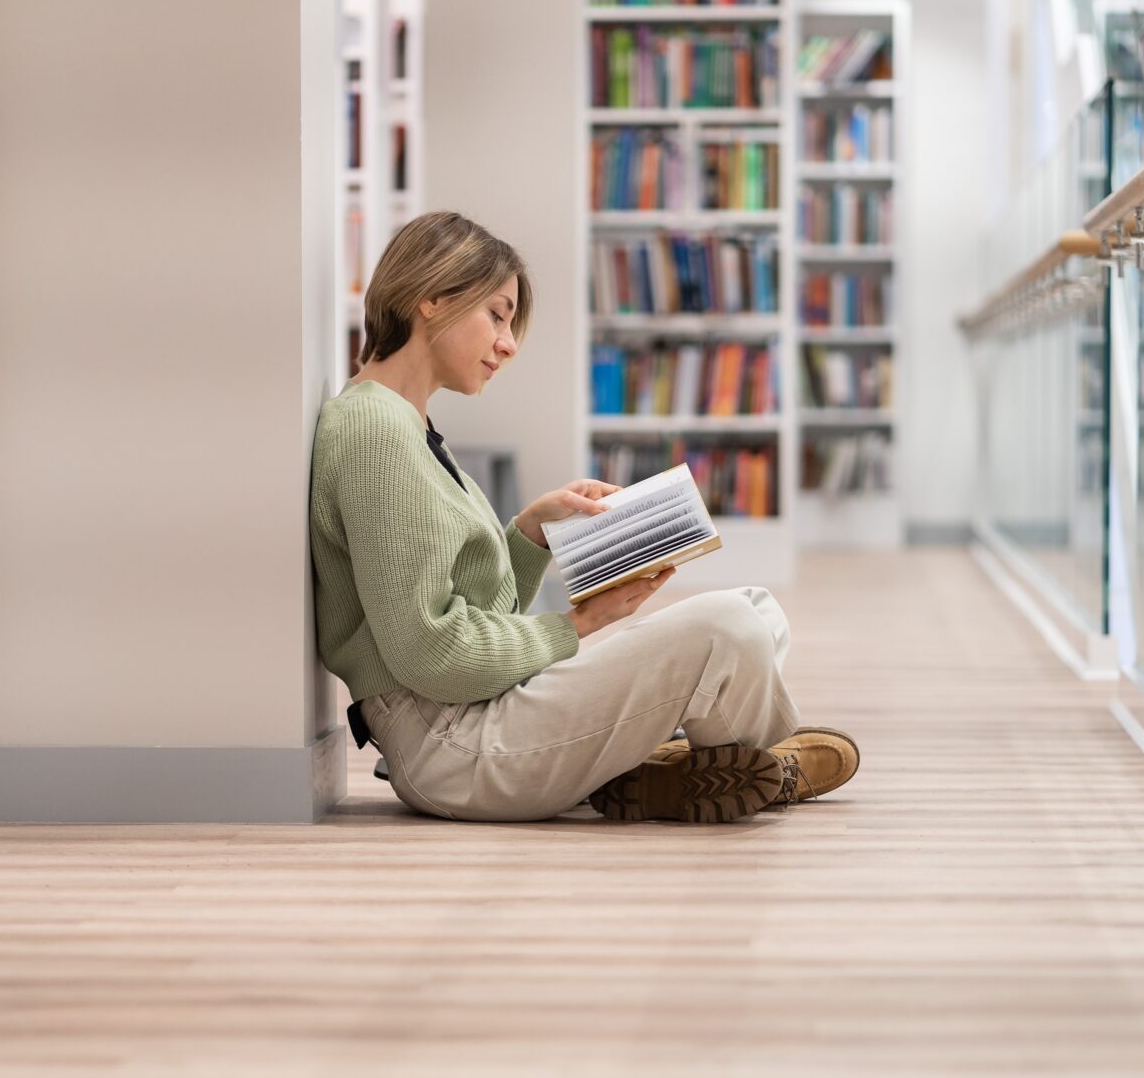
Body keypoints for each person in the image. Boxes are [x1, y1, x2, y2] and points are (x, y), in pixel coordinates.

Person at [309, 211, 859, 823]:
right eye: (497, 314)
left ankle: (660, 766)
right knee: (728, 626)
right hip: (456, 748)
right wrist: (582, 622)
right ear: (431, 297)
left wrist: (531, 532)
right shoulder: (375, 431)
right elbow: (432, 652)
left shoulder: (407, 424)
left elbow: (473, 615)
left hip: (477, 711)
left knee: (756, 607)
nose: (509, 343)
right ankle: (768, 764)